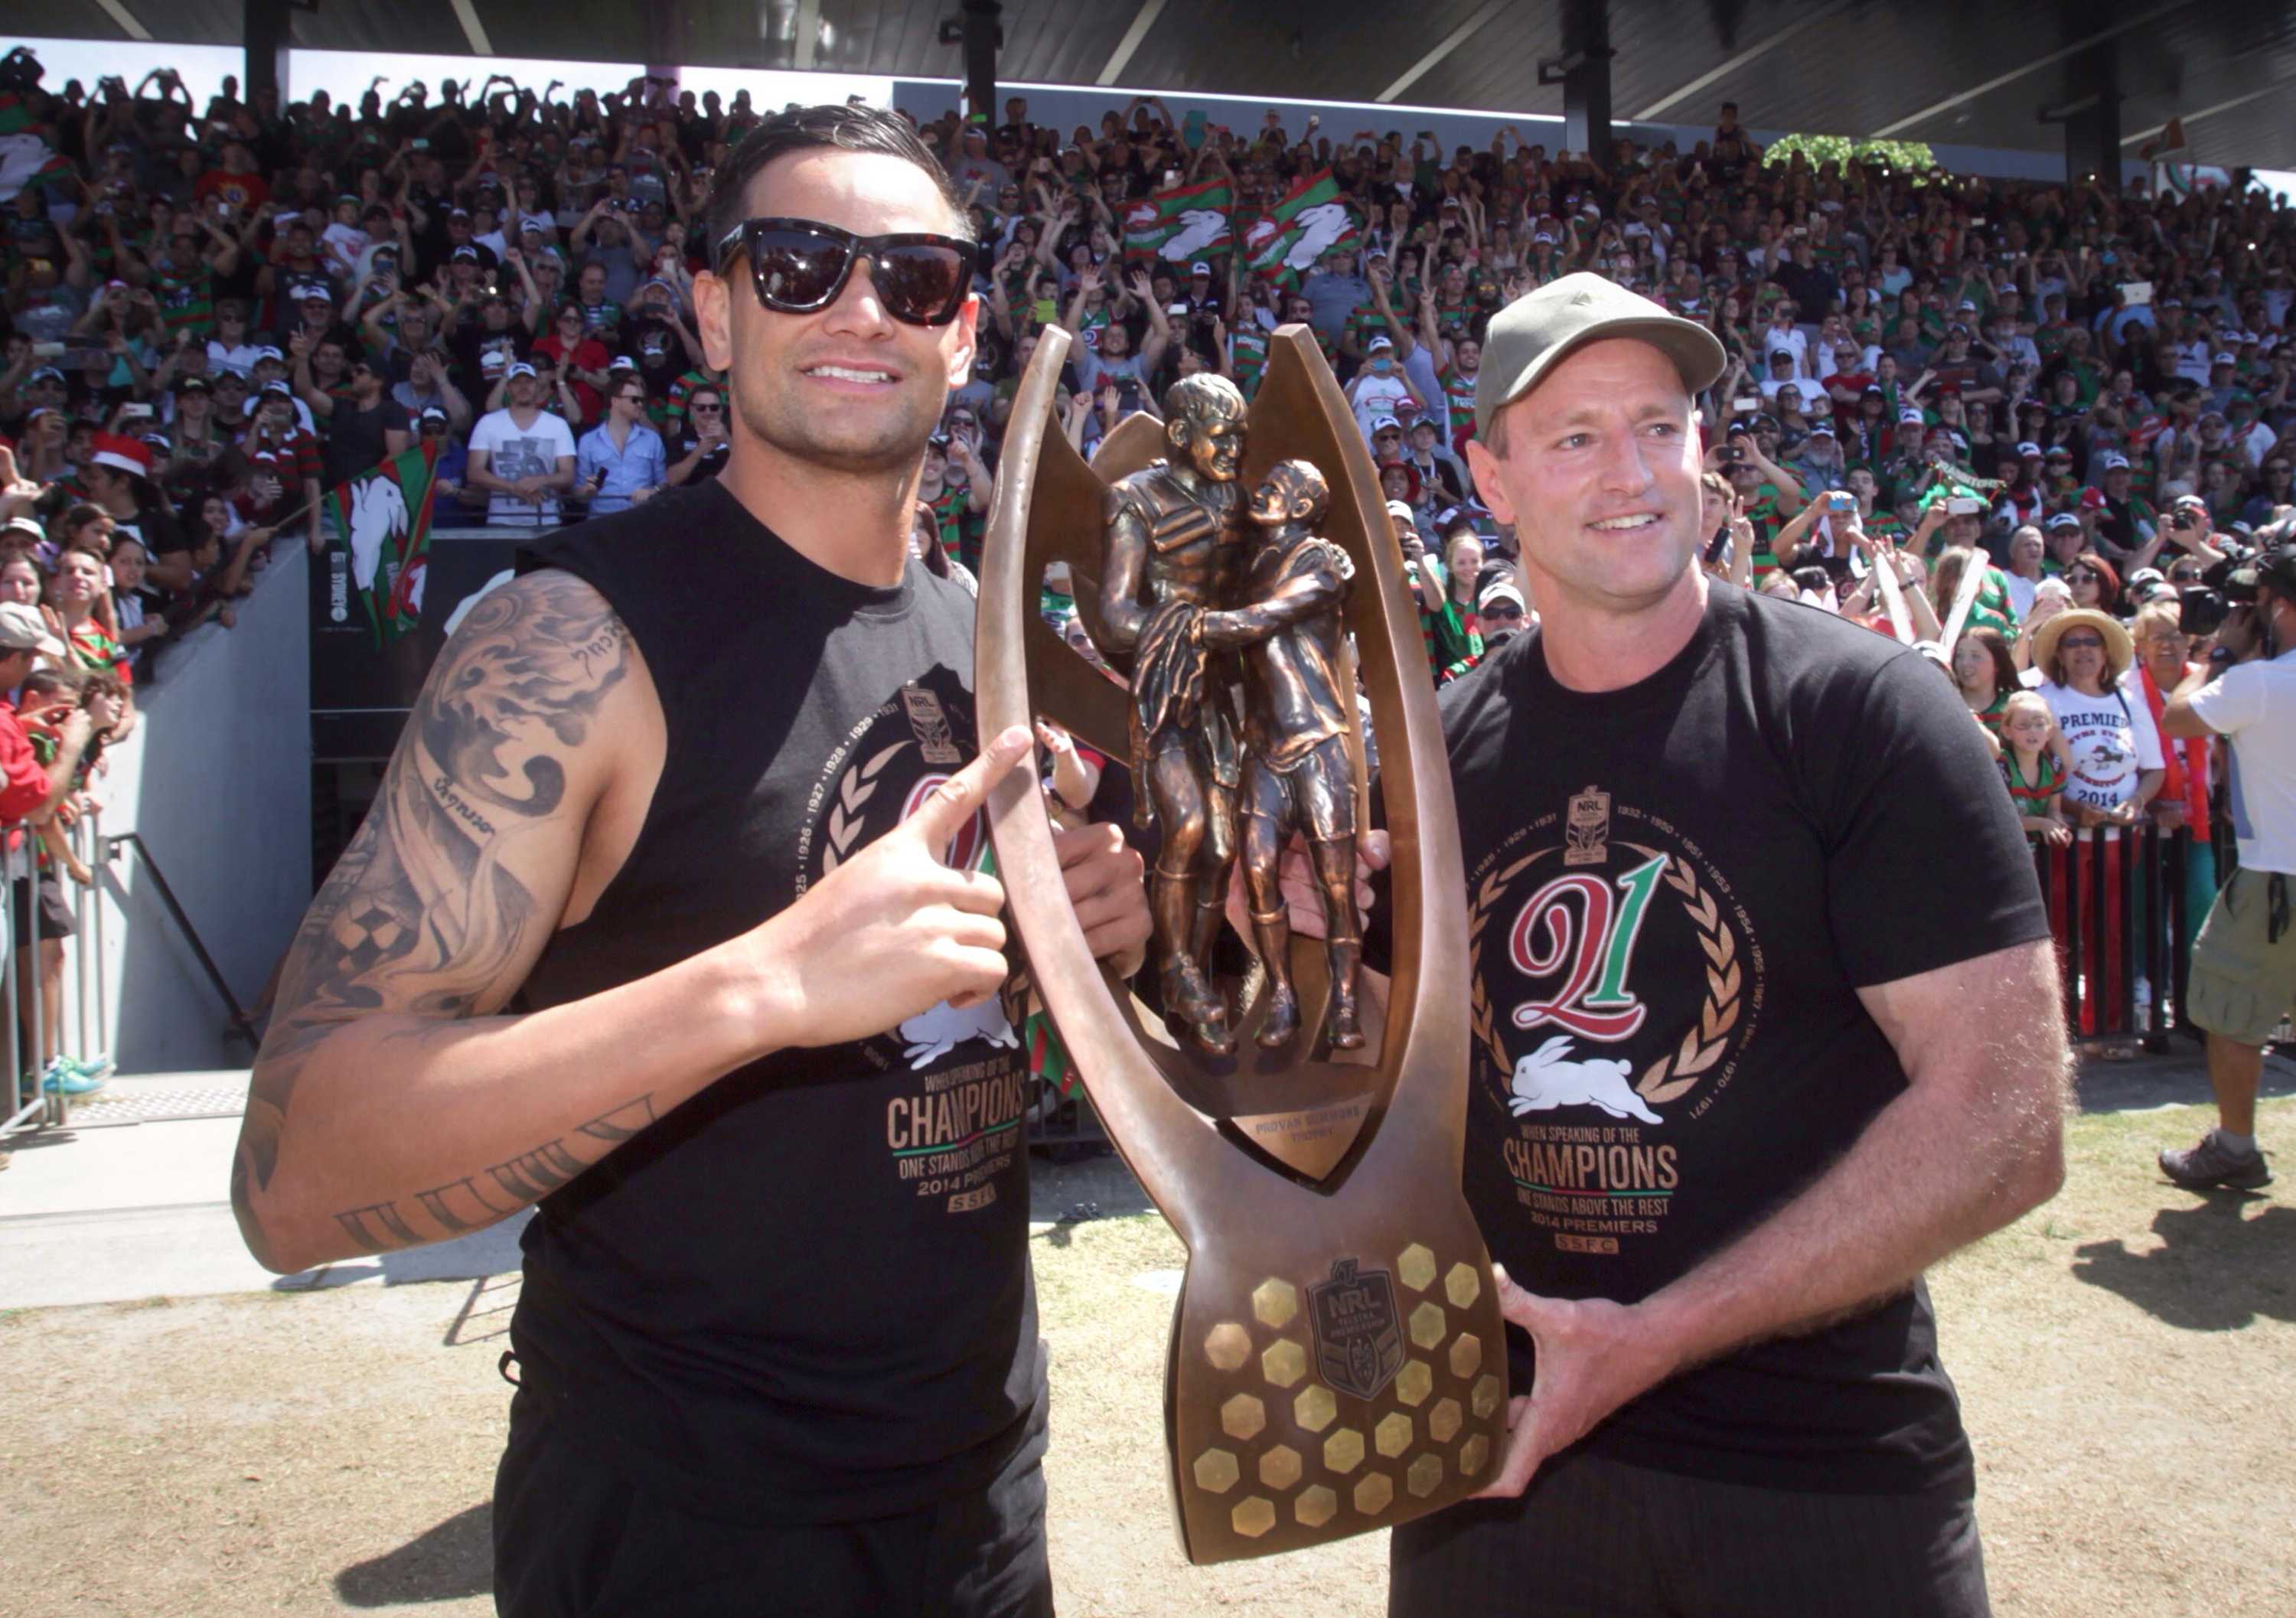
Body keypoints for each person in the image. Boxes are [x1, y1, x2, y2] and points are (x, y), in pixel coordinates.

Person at [227, 104, 1150, 1618]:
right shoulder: (572, 640)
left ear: (966, 332)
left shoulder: (987, 635)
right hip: (686, 1529)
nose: (861, 308)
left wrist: (1075, 941)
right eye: (799, 265)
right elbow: (298, 1165)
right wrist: (768, 984)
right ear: (714, 316)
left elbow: (948, 1048)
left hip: (981, 1496)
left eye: (914, 277)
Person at [1325, 275, 2065, 1617]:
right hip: (1500, 1473)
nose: (1634, 471)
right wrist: (1303, 948)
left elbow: (2007, 1118)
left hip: (1821, 1473)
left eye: (1660, 426)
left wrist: (1651, 1337)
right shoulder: (1427, 762)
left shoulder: (1862, 715)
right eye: (1576, 437)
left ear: (1705, 451)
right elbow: (1378, 1106)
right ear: (1489, 475)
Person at [2154, 543, 2296, 1190]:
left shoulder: (2258, 683)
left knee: (2228, 1008)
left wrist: (2219, 654)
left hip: (2277, 878)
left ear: (2282, 608)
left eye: (2259, 603)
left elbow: (2177, 714)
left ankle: (2236, 1148)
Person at [464, 360, 577, 527]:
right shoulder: (488, 423)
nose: (523, 387)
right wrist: (513, 488)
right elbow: (474, 472)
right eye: (517, 382)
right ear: (508, 388)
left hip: (546, 520)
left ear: (537, 386)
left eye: (528, 381)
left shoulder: (558, 424)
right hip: (501, 521)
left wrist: (542, 481)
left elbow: (568, 475)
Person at [573, 377, 667, 516]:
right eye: (635, 400)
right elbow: (578, 494)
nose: (640, 404)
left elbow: (665, 483)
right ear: (615, 401)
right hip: (601, 523)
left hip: (641, 520)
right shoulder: (588, 441)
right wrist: (587, 491)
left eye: (642, 400)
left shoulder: (652, 439)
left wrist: (651, 491)